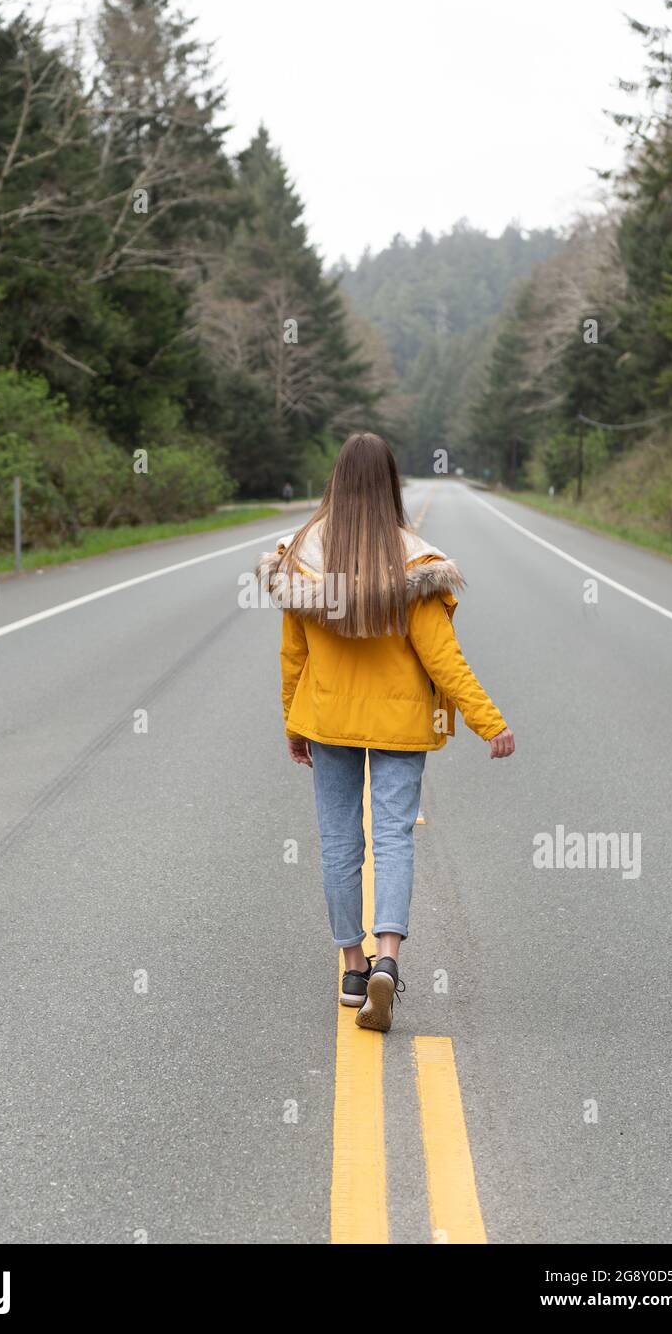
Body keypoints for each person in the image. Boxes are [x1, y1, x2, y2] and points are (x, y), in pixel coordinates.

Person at [258, 432, 514, 1032]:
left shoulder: (302, 556)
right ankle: (389, 963)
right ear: (391, 485)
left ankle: (352, 967)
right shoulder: (415, 562)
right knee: (394, 838)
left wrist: (294, 722)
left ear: (336, 481)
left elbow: (292, 655)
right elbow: (443, 659)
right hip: (400, 724)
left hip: (328, 720)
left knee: (340, 842)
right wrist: (489, 721)